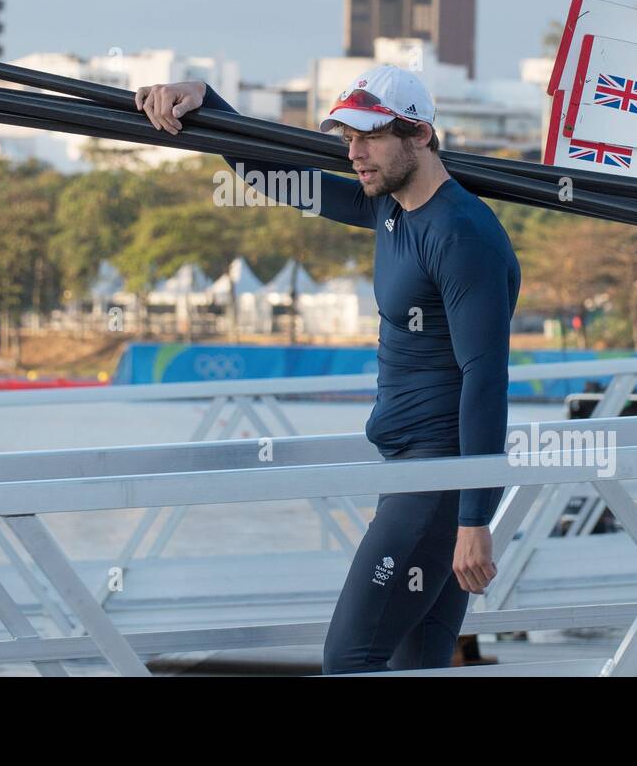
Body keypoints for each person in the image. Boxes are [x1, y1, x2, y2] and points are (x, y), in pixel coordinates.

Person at [134, 65, 521, 673]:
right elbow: (282, 179)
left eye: (368, 137)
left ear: (419, 134)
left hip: (437, 480)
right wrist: (208, 104)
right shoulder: (389, 207)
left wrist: (475, 517)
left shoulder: (461, 234)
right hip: (412, 473)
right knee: (415, 662)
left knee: (350, 657)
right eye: (346, 137)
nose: (354, 153)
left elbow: (486, 378)